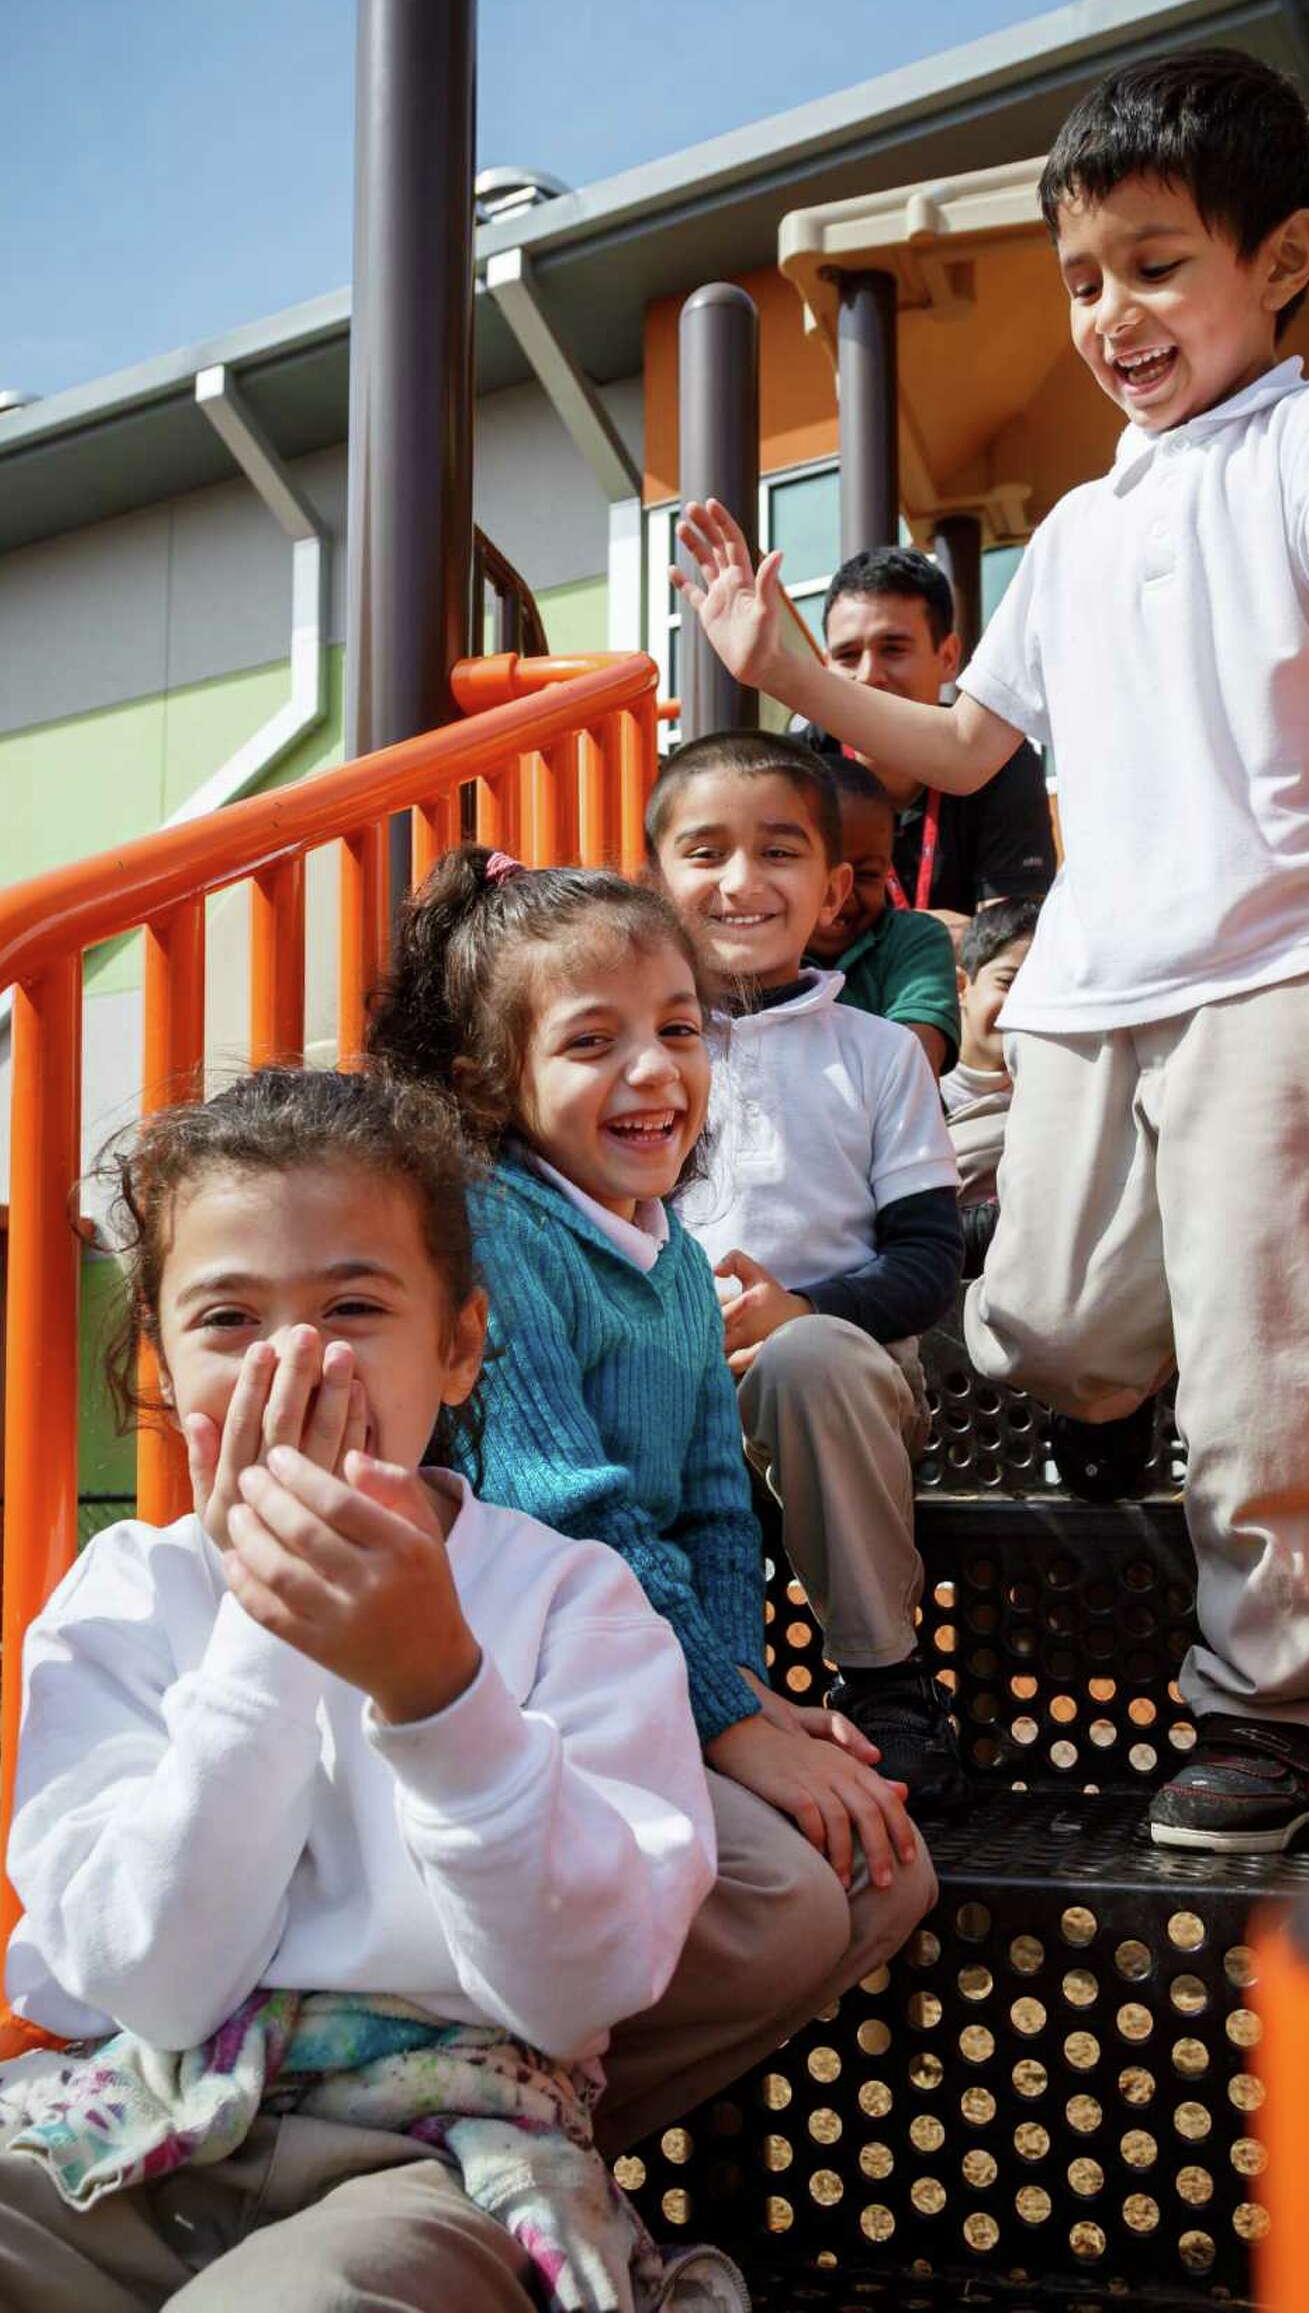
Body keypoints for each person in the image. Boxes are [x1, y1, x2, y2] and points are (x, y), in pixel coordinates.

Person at [672, 45, 1309, 1857]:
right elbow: (960, 742)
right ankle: (1118, 1405)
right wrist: (789, 670)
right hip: (1083, 990)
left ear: (1279, 260)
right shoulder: (1075, 528)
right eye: (1083, 279)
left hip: (1273, 969)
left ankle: (1283, 1708)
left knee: (1275, 1356)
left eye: (1155, 265)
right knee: (1048, 1322)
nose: (1111, 315)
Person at [0, 1067, 722, 2312]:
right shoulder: (122, 1598)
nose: (295, 1359)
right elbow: (154, 1981)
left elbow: (581, 1987)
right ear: (163, 1362)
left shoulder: (574, 1600)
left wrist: (442, 1693)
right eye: (230, 1318)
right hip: (128, 2125)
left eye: (353, 1304)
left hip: (435, 2157)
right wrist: (265, 1631)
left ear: (459, 1346)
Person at [364, 848, 938, 2155]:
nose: (654, 1070)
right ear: (492, 1080)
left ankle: (535, 2131)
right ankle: (455, 2123)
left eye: (679, 1030)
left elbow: (715, 1510)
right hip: (518, 1676)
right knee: (792, 1899)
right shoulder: (494, 1227)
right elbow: (569, 1505)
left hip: (641, 1671)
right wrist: (730, 1727)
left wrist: (740, 1690)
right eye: (593, 1041)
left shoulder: (672, 1254)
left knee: (887, 1869)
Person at [644, 730, 967, 1815]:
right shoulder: (638, 1055)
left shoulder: (875, 1052)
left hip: (841, 1382)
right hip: (674, 1380)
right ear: (655, 881)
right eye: (705, 853)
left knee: (810, 1358)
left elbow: (930, 1261)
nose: (741, 881)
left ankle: (885, 1677)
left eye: (778, 851)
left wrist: (801, 1309)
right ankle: (674, 1691)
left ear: (833, 890)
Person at [797, 544, 1056, 930]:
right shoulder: (796, 770)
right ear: (825, 666)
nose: (868, 675)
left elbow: (1014, 939)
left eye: (893, 649)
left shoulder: (1000, 758)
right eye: (847, 656)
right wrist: (929, 938)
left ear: (948, 657)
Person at [806, 750, 961, 1073]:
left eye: (865, 875)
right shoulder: (757, 942)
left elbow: (913, 1067)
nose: (842, 895)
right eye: (822, 873)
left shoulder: (914, 940)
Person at [941, 894, 1042, 1262]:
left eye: (1046, 987)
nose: (1026, 1002)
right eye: (1008, 982)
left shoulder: (1060, 1100)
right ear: (961, 985)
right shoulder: (912, 1084)